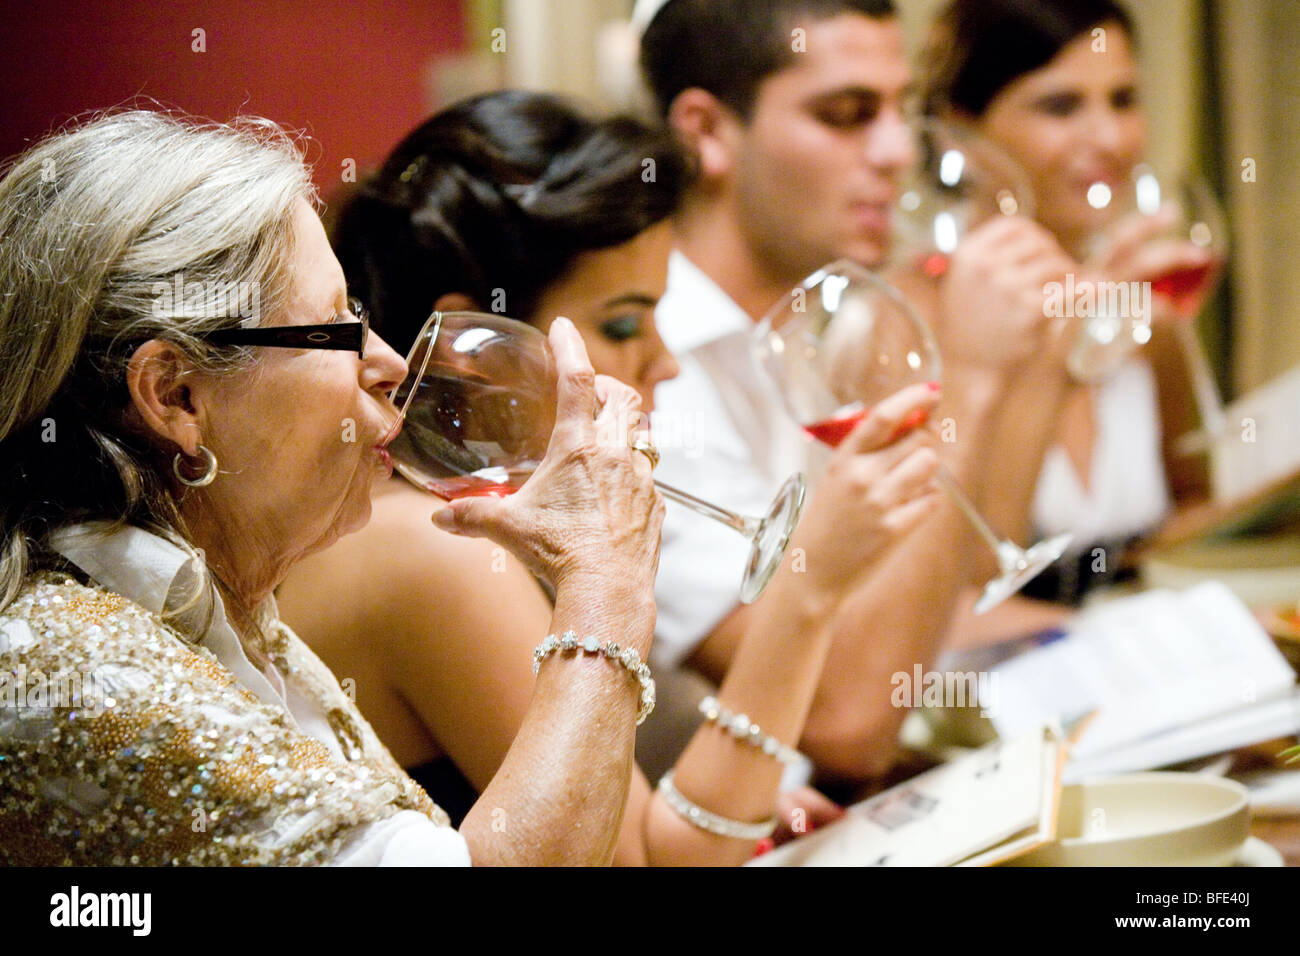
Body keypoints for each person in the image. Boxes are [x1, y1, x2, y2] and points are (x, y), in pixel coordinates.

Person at [278, 90, 942, 864]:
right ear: (474, 351)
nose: (665, 362)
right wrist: (811, 584)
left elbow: (624, 808)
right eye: (623, 324)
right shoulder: (435, 553)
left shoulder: (459, 516)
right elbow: (649, 864)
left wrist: (742, 797)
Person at [0, 109, 668, 866]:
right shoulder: (71, 663)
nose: (386, 360)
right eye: (333, 329)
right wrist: (608, 588)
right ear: (177, 395)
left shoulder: (221, 616)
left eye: (360, 313)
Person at [637, 0, 1075, 781]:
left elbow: (959, 575)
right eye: (846, 115)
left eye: (903, 110)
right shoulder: (646, 374)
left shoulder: (832, 321)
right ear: (706, 132)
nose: (899, 150)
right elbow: (842, 722)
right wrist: (969, 384)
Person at [920, 0, 1210, 626]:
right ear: (959, 132)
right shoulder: (907, 325)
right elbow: (962, 590)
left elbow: (1195, 506)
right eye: (1061, 106)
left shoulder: (1147, 311)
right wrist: (1063, 355)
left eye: (1124, 99)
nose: (1109, 138)